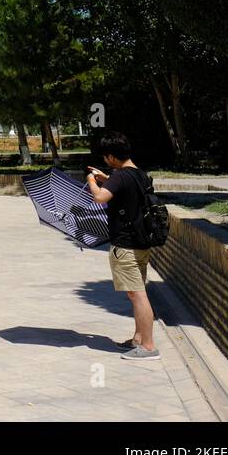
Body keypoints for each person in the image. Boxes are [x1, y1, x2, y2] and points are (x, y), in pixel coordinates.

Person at [86, 131, 159, 361]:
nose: (106, 162)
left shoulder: (119, 176)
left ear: (111, 156)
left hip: (125, 244)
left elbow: (100, 198)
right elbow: (125, 191)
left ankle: (147, 347)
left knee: (137, 295)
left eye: (106, 158)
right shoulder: (139, 174)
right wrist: (107, 179)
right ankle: (138, 339)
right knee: (136, 292)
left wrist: (91, 182)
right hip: (141, 242)